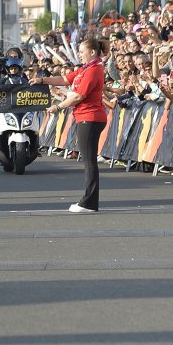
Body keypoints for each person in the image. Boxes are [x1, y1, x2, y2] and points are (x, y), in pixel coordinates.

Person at [34, 37, 108, 213]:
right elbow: (65, 80)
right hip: (85, 117)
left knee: (89, 161)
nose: (80, 55)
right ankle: (89, 201)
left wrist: (58, 107)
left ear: (92, 52)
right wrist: (42, 80)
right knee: (88, 160)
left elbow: (77, 96)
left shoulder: (94, 70)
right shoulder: (85, 69)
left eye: (82, 52)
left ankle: (89, 203)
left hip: (90, 117)